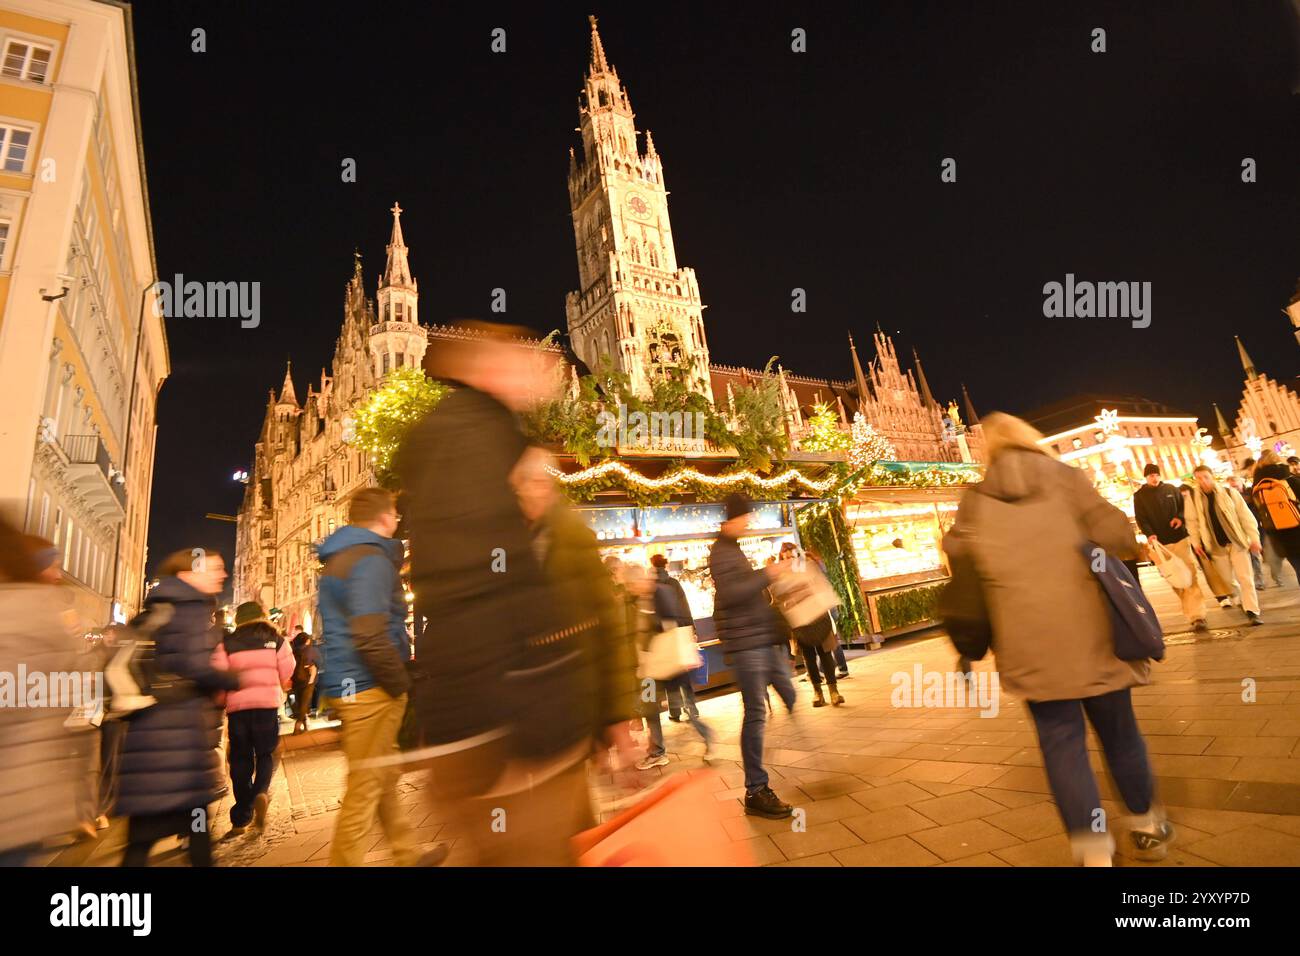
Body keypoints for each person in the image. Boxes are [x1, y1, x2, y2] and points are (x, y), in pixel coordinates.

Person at [394, 321, 591, 865]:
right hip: (508, 711)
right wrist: (554, 703)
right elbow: (498, 582)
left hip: (461, 706)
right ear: (488, 368)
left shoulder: (437, 436)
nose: (541, 368)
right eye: (524, 358)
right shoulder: (480, 434)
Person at [944, 413, 1173, 866]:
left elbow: (957, 557)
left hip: (1027, 647)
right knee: (1121, 735)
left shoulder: (974, 500)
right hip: (1096, 636)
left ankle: (1093, 852)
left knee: (1061, 746)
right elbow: (1118, 535)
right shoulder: (1067, 478)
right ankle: (1146, 826)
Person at [510, 445, 639, 776]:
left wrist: (616, 721)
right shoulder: (509, 540)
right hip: (528, 714)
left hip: (573, 704)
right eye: (527, 483)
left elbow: (608, 629)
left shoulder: (573, 535)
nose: (534, 491)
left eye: (541, 482)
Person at [316, 487, 425, 867]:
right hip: (370, 687)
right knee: (365, 787)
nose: (397, 519)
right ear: (384, 516)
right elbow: (369, 633)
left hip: (350, 683)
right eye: (394, 512)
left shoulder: (338, 557)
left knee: (382, 775)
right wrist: (399, 681)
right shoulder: (371, 560)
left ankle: (407, 853)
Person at [116, 548, 243, 867]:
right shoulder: (189, 607)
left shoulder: (160, 606)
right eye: (214, 568)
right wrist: (230, 677)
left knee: (142, 839)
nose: (222, 574)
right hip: (176, 742)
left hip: (151, 737)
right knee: (197, 830)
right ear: (188, 575)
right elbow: (193, 664)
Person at [0, 521, 88, 866]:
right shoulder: (47, 614)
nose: (57, 573)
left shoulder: (18, 613)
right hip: (27, 798)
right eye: (53, 564)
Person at [709, 493, 797, 819]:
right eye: (745, 518)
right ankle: (756, 790)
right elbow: (731, 595)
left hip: (757, 640)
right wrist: (768, 574)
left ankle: (761, 784)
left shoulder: (731, 550)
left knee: (781, 697)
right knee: (756, 713)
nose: (749, 523)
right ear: (733, 518)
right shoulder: (721, 551)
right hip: (746, 646)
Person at [212, 601, 296, 833]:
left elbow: (219, 674)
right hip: (267, 705)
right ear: (262, 616)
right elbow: (288, 667)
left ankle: (241, 817)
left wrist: (221, 700)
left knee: (240, 760)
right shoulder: (276, 639)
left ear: (238, 620)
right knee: (265, 754)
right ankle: (261, 792)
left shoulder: (227, 643)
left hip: (238, 708)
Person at [1133, 464, 1208, 631]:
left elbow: (1183, 508)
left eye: (1156, 474)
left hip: (1179, 538)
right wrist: (1149, 534)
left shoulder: (1172, 489)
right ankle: (1190, 611)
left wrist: (1179, 518)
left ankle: (1198, 616)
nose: (1154, 477)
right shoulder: (1139, 496)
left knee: (1190, 575)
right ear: (1146, 477)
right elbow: (1141, 518)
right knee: (1174, 579)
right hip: (1159, 544)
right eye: (1150, 475)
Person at [1185, 468, 1263, 625]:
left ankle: (1252, 611)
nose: (1203, 481)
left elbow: (1245, 517)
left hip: (1236, 542)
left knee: (1245, 578)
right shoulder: (1193, 498)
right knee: (1227, 581)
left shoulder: (1229, 493)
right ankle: (1239, 597)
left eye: (1206, 477)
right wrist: (1196, 543)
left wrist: (1254, 538)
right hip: (1215, 546)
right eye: (1199, 478)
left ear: (1212, 477)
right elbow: (1192, 523)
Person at [776, 543, 843, 707]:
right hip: (800, 621)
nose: (791, 559)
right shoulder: (780, 574)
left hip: (819, 615)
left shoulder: (809, 566)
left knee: (826, 653)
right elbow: (777, 597)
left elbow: (823, 585)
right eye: (787, 557)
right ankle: (817, 693)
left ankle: (834, 691)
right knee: (809, 658)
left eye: (793, 556)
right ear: (782, 557)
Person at [649, 553, 703, 722]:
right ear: (665, 566)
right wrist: (691, 628)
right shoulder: (674, 583)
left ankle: (675, 711)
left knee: (670, 673)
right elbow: (684, 607)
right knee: (683, 672)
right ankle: (692, 708)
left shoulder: (651, 586)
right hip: (680, 632)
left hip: (662, 636)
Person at [1252, 450, 1300, 584]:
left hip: (1277, 534)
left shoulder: (1256, 486)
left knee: (1297, 565)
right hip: (1297, 528)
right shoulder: (1288, 479)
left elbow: (1257, 511)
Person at [289, 631, 318, 734]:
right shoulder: (310, 649)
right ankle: (298, 726)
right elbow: (318, 662)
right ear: (307, 640)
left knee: (300, 702)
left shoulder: (292, 650)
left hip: (296, 679)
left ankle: (305, 724)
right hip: (308, 679)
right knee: (304, 703)